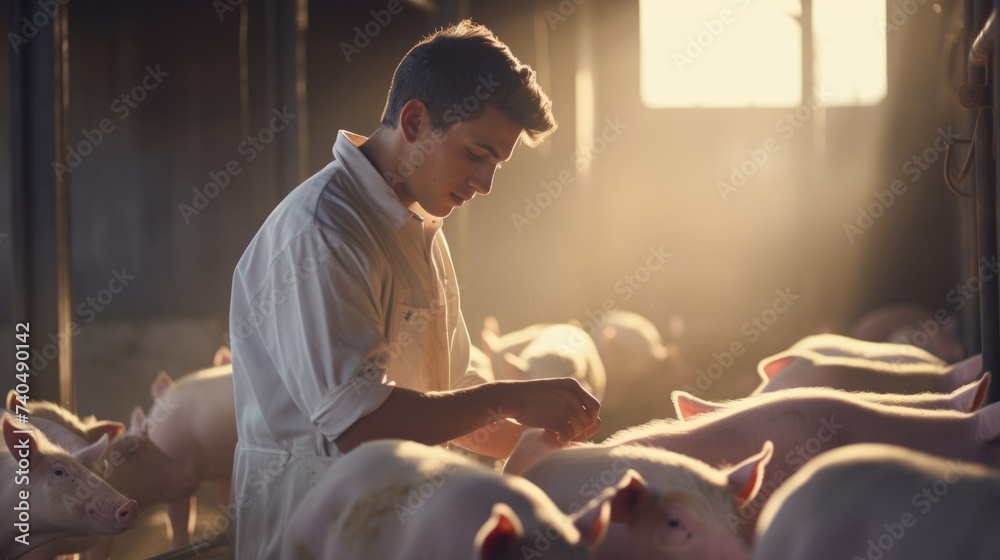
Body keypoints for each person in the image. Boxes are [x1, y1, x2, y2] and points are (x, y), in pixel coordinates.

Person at [228, 20, 602, 557]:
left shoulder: (417, 228)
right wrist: (512, 396)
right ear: (414, 120)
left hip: (389, 525)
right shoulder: (323, 231)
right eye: (476, 153)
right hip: (310, 532)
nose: (485, 183)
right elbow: (361, 426)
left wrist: (558, 445)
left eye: (496, 163)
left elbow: (451, 403)